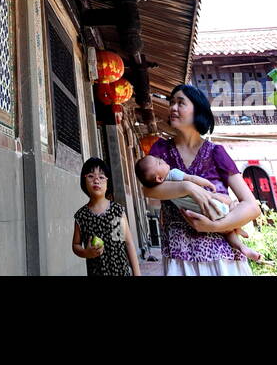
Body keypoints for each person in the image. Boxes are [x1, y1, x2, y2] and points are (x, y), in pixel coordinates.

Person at [141, 84, 262, 275]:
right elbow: (148, 190)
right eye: (171, 103)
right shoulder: (161, 151)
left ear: (198, 110)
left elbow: (252, 206)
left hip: (222, 256)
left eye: (180, 103)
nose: (173, 107)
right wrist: (188, 187)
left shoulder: (216, 152)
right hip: (180, 255)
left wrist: (215, 226)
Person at [136, 153, 262, 263]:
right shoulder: (173, 174)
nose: (161, 160)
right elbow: (192, 178)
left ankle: (241, 246)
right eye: (159, 162)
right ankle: (236, 228)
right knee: (229, 202)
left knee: (227, 232)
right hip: (213, 205)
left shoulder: (164, 188)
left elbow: (149, 190)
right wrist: (208, 184)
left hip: (202, 216)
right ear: (159, 178)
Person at [72, 157, 140, 276]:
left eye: (102, 177)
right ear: (84, 181)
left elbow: (128, 243)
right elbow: (76, 245)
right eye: (91, 176)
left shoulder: (116, 211)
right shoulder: (81, 216)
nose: (96, 180)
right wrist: (86, 252)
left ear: (108, 184)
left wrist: (137, 272)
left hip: (121, 272)